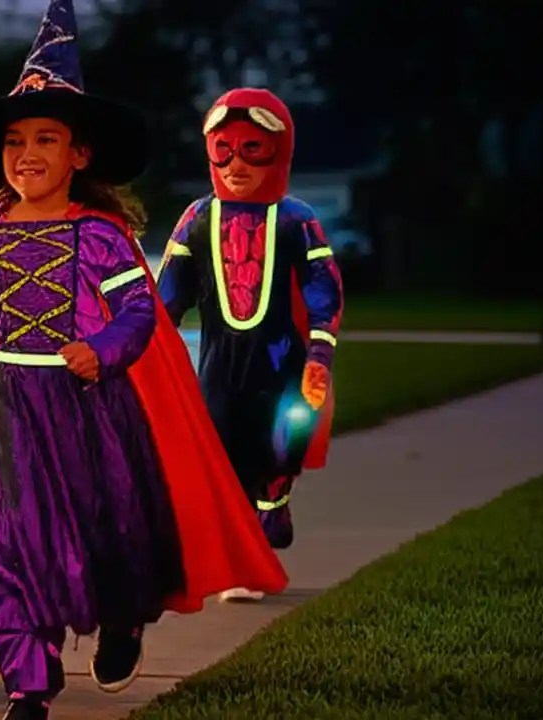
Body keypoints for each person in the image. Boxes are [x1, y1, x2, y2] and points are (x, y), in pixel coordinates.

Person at [0, 3, 288, 718]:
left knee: (103, 532)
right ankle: (28, 686)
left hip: (88, 409)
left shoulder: (101, 237)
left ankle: (122, 619)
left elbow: (141, 312)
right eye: (14, 141)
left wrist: (103, 351)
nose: (27, 154)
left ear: (78, 156)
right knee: (2, 545)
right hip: (2, 411)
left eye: (45, 139)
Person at [156, 88, 345, 602]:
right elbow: (168, 293)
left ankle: (276, 497)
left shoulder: (296, 219)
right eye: (224, 150)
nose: (236, 164)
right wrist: (149, 348)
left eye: (252, 149)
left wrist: (320, 354)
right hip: (220, 365)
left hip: (282, 362)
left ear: (279, 151)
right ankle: (242, 561)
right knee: (223, 453)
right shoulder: (197, 219)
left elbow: (324, 290)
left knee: (285, 441)